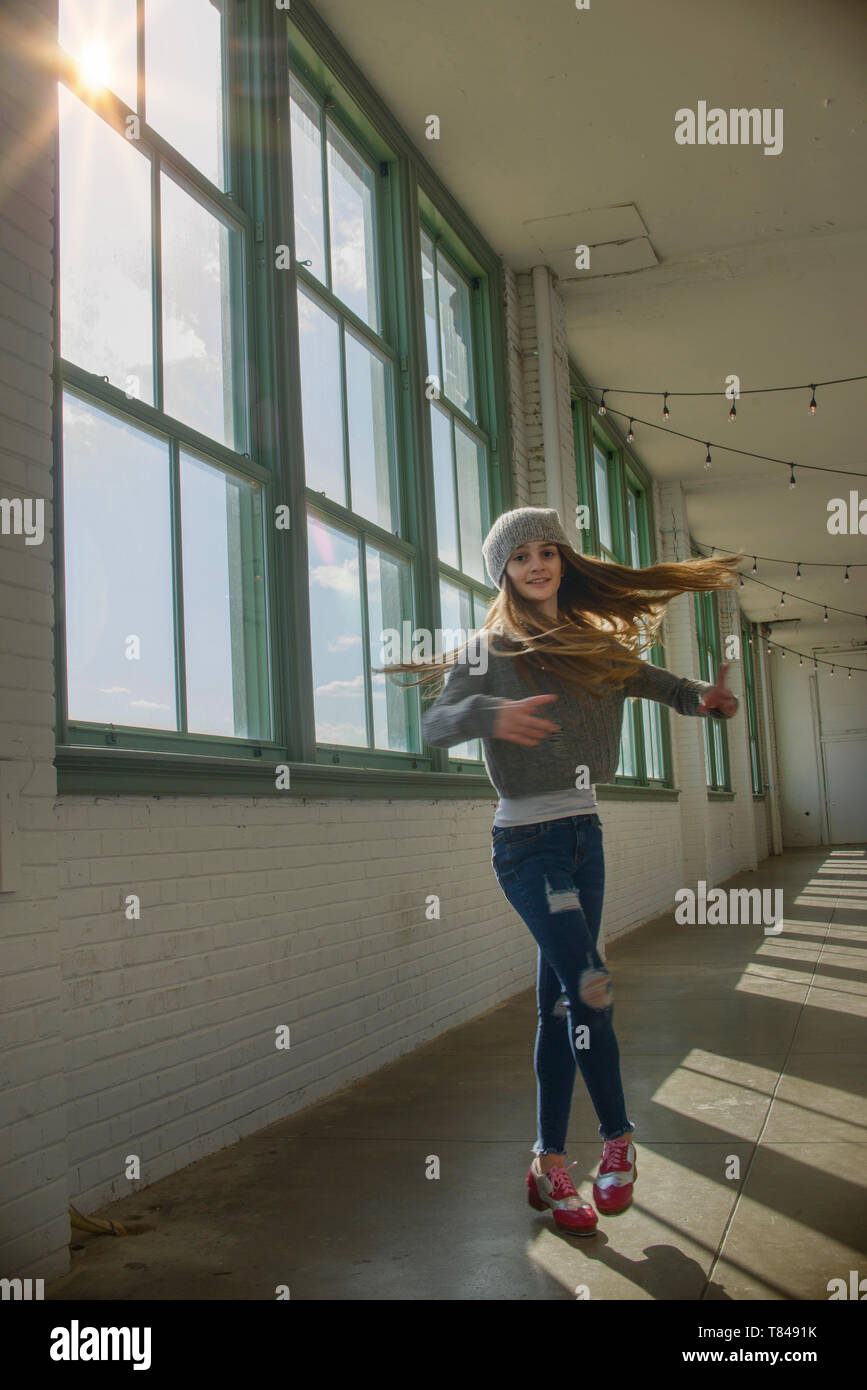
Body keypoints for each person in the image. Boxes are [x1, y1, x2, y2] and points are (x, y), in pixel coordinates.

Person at [383, 507, 741, 1235]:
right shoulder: (490, 649)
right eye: (521, 558)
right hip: (526, 843)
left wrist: (705, 699)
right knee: (591, 986)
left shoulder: (589, 644)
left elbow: (661, 685)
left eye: (548, 551)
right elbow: (434, 724)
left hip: (584, 835)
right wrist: (487, 715)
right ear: (504, 573)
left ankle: (548, 1163)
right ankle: (618, 1140)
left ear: (563, 562)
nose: (537, 565)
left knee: (557, 1006)